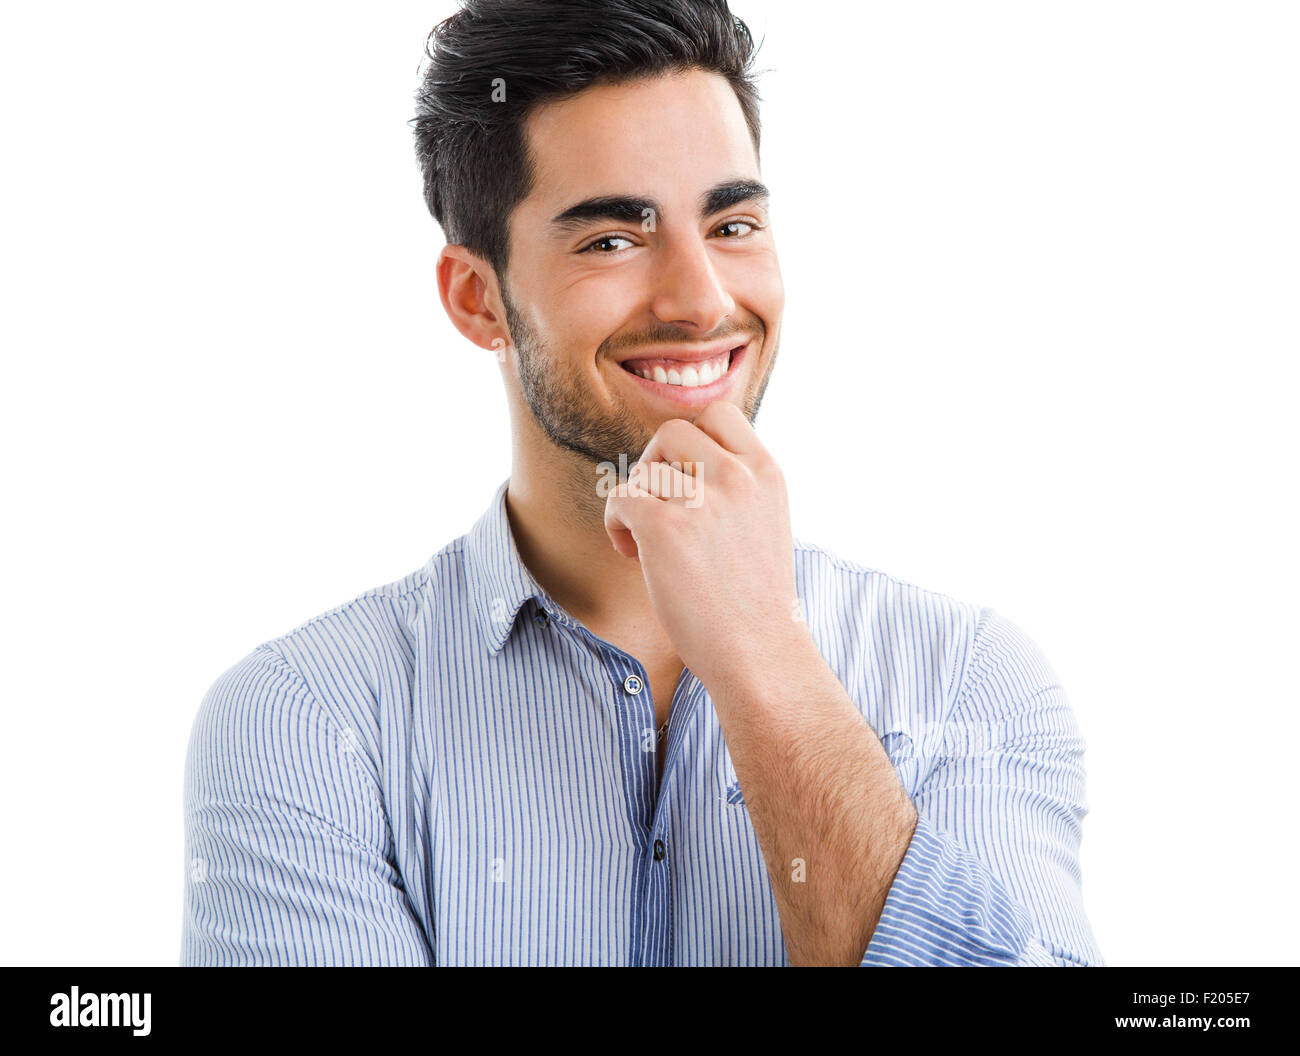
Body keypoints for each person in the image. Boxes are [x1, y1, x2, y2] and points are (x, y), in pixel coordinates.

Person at [182, 0, 1102, 967]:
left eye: (733, 222)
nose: (703, 299)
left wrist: (761, 656)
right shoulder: (307, 723)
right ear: (477, 299)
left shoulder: (968, 681)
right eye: (613, 240)